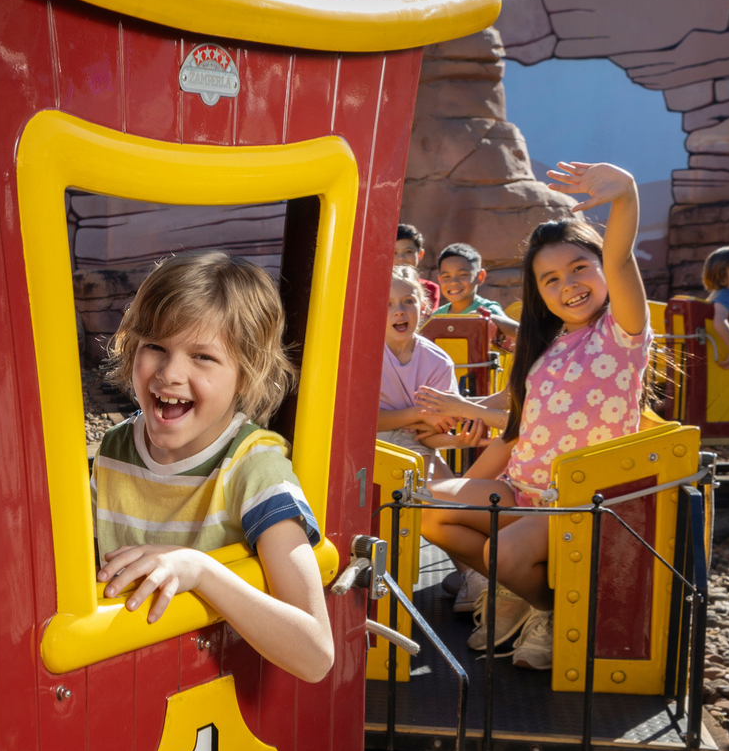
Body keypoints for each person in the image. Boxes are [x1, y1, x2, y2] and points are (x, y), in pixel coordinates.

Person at [417, 162, 651, 669]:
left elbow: (623, 256)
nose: (567, 284)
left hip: (577, 500)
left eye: (579, 268)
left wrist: (626, 195)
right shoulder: (547, 345)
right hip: (524, 489)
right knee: (426, 508)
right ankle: (516, 589)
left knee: (504, 553)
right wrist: (468, 410)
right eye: (550, 279)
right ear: (538, 293)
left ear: (602, 268)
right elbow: (519, 415)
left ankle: (545, 606)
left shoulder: (621, 332)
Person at [92, 251, 337, 683]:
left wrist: (200, 570)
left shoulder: (254, 469)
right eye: (155, 347)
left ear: (246, 374)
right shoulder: (113, 449)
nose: (170, 373)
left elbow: (315, 653)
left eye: (202, 357)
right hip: (124, 680)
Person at [379, 264, 478, 481]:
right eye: (388, 304)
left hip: (414, 447)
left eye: (409, 301)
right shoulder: (364, 355)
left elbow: (430, 435)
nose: (399, 311)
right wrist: (418, 414)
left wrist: (456, 441)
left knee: (441, 503)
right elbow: (362, 423)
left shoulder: (438, 362)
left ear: (423, 306)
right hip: (370, 445)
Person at [427, 242, 520, 346]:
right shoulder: (438, 317)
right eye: (446, 277)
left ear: (480, 277)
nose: (453, 282)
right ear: (439, 280)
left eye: (463, 275)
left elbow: (519, 332)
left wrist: (489, 318)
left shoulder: (488, 309)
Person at [395, 223, 443, 311]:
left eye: (408, 251)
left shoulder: (430, 289)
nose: (401, 258)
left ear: (420, 254)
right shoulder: (377, 287)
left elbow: (428, 322)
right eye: (394, 253)